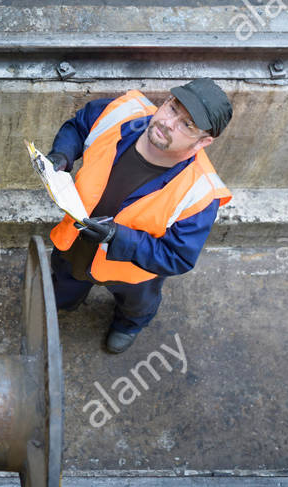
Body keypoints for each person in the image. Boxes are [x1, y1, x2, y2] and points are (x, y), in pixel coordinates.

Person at [45, 79, 233, 353]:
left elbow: (178, 257)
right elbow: (79, 126)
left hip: (132, 273)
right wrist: (62, 154)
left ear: (203, 142)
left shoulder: (201, 192)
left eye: (187, 125)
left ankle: (129, 324)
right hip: (75, 240)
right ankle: (65, 299)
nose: (168, 123)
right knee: (66, 279)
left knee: (137, 303)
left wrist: (118, 238)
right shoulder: (122, 113)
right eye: (172, 108)